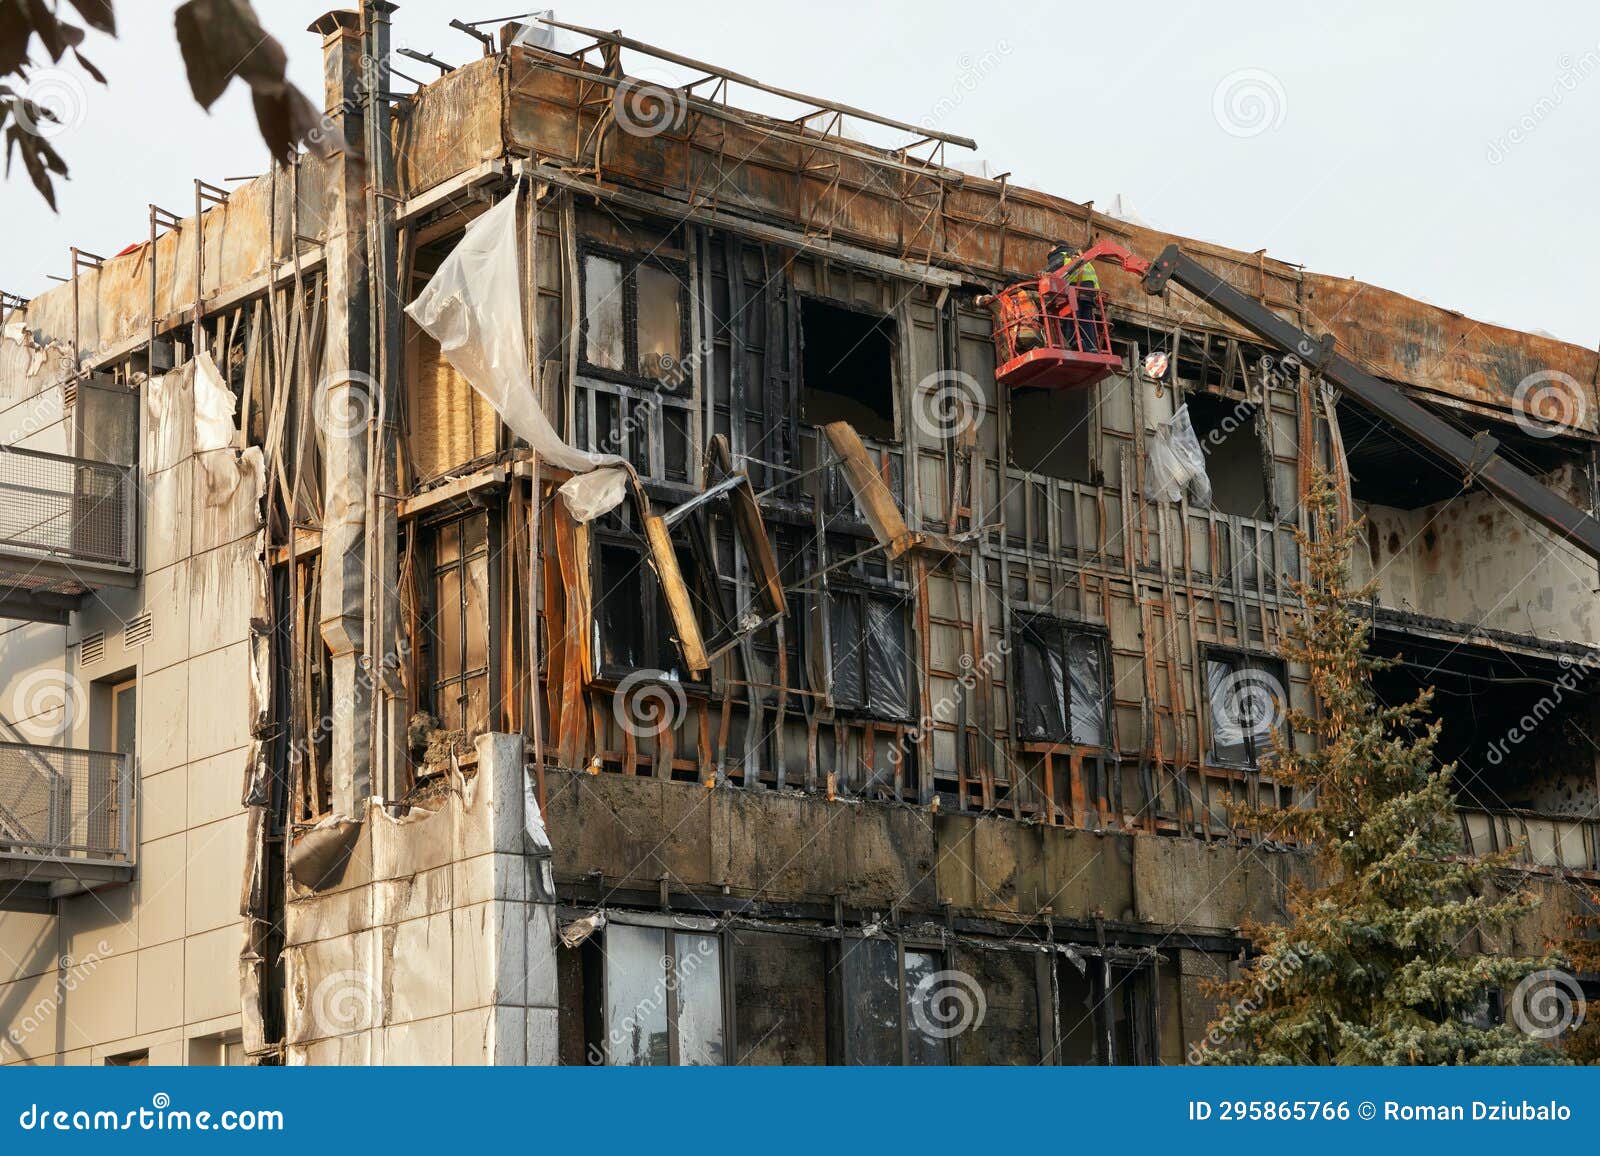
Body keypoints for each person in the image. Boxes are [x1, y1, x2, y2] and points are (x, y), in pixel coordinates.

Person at [1044, 242, 1103, 354]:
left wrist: (1042, 274)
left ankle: (1073, 343)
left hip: (1075, 293)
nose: (1049, 251)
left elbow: (1050, 271)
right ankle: (1092, 348)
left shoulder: (1061, 255)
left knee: (1071, 319)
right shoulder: (1080, 257)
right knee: (1086, 321)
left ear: (1056, 247)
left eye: (1050, 248)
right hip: (1089, 293)